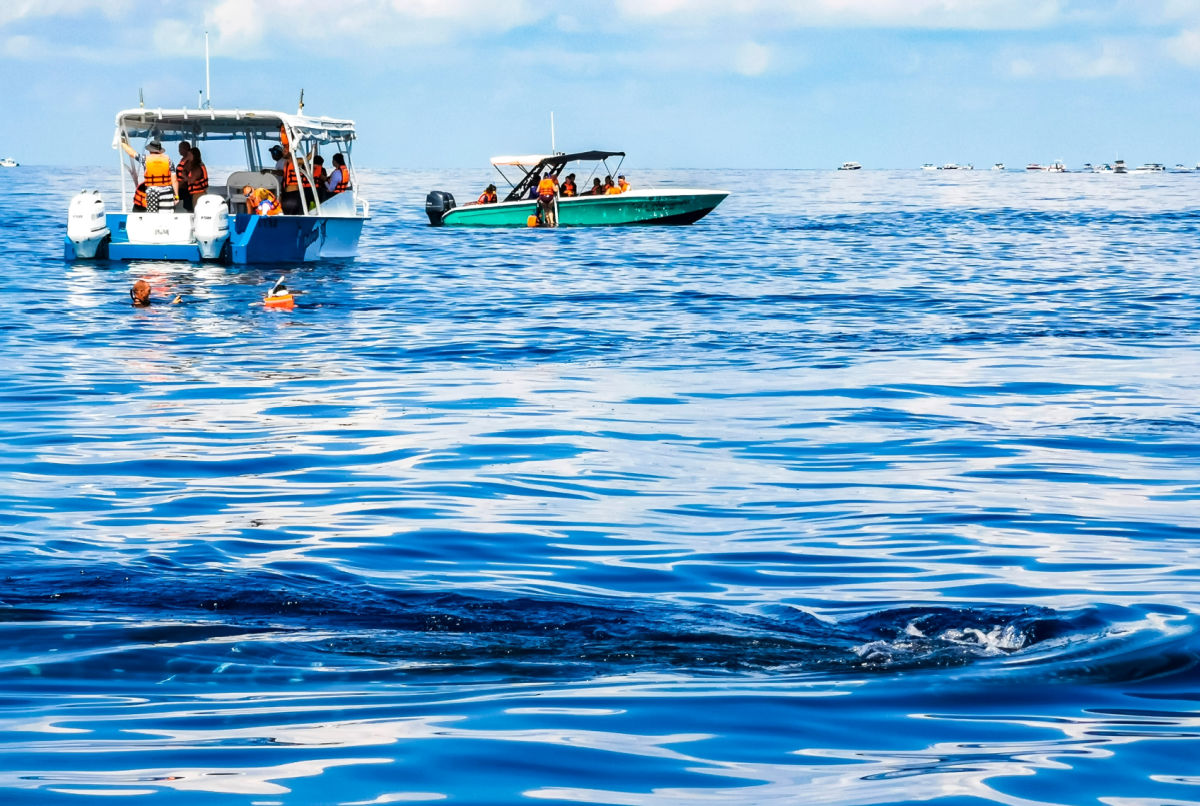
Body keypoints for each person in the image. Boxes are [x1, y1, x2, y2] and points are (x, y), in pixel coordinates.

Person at [120, 137, 178, 212]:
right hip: (167, 193)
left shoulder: (145, 159)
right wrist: (176, 195)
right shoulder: (168, 161)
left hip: (152, 193)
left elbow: (132, 153)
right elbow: (174, 180)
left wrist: (123, 144)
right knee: (166, 217)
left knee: (152, 217)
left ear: (150, 150)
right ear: (160, 151)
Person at [175, 141, 193, 211]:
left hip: (185, 189)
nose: (179, 150)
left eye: (180, 148)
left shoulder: (189, 161)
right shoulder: (184, 159)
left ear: (186, 149)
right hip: (181, 188)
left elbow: (187, 178)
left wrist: (177, 186)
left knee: (189, 208)